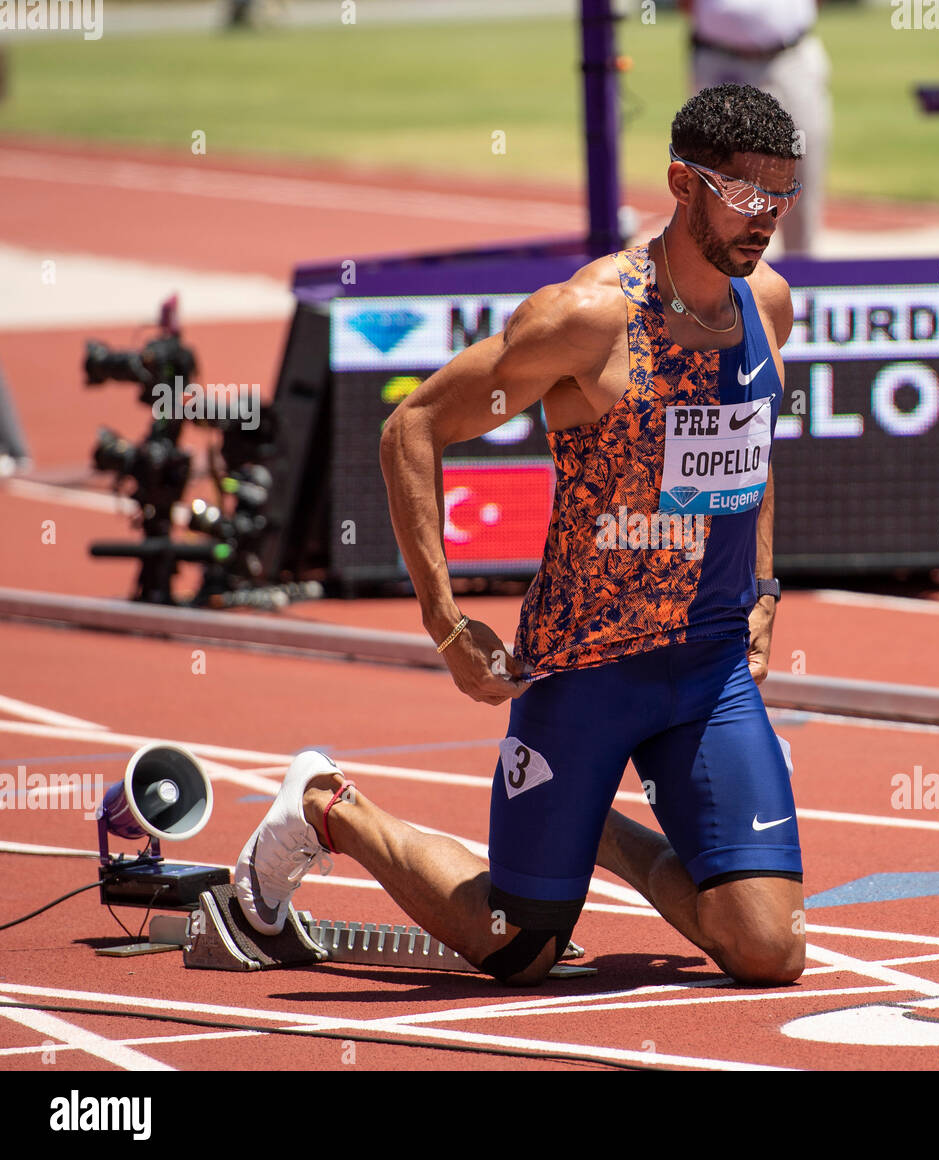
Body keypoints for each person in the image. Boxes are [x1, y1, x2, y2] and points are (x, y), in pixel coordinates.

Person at [236, 84, 806, 988]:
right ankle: (325, 804)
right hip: (587, 667)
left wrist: (764, 584)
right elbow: (411, 429)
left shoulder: (767, 305)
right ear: (680, 183)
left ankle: (596, 830)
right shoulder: (586, 319)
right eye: (744, 194)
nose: (766, 217)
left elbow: (752, 446)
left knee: (768, 951)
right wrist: (447, 625)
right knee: (517, 945)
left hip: (708, 669)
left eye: (783, 194)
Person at [681, 0, 830, 257]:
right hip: (719, 59)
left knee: (801, 170)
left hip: (789, 56)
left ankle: (803, 276)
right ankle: (719, 287)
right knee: (717, 179)